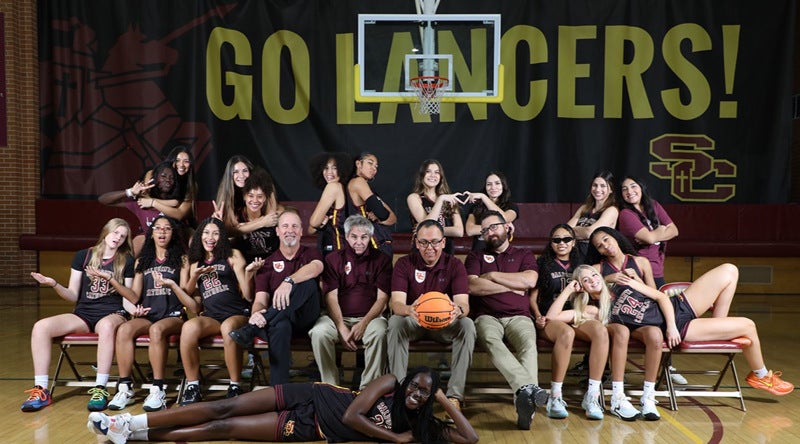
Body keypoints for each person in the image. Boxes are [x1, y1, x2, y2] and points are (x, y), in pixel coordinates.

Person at [87, 366, 479, 444]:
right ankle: (130, 420)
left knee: (223, 432)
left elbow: (472, 440)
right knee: (225, 408)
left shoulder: (425, 427)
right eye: (418, 385)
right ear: (407, 381)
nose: (417, 393)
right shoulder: (390, 383)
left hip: (312, 430)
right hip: (311, 395)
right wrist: (394, 440)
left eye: (425, 393)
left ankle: (133, 435)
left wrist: (445, 399)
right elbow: (352, 415)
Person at [25, 218, 137, 412]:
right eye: (115, 233)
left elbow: (128, 297)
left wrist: (134, 311)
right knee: (41, 327)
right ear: (106, 231)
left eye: (123, 236)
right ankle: (42, 390)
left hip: (113, 313)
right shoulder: (83, 256)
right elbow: (72, 295)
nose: (118, 238)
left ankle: (100, 388)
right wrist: (53, 284)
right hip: (84, 314)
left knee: (107, 327)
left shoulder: (126, 260)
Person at [464, 211, 547, 429]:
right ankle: (528, 390)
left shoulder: (523, 254)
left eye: (493, 227)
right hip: (486, 316)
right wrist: (513, 285)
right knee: (491, 340)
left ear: (507, 227)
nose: (488, 233)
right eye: (484, 230)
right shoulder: (476, 257)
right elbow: (473, 286)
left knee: (529, 346)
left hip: (519, 316)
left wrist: (491, 276)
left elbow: (529, 280)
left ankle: (524, 407)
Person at [387, 219, 475, 419]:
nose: (430, 248)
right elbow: (396, 304)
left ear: (443, 242)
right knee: (394, 322)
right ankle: (400, 393)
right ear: (416, 243)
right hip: (415, 321)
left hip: (444, 324)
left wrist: (457, 310)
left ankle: (454, 396)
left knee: (467, 325)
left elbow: (465, 305)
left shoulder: (455, 265)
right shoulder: (404, 264)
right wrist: (410, 309)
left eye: (435, 242)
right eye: (424, 242)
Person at [228, 209, 324, 385]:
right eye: (285, 226)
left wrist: (289, 281)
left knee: (307, 283)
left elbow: (317, 267)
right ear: (277, 231)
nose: (290, 230)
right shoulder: (268, 264)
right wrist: (257, 313)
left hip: (306, 318)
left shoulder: (310, 253)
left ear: (301, 231)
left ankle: (251, 329)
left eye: (295, 226)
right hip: (279, 320)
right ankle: (278, 393)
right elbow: (260, 300)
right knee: (280, 325)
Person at [108, 216, 188, 412]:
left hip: (173, 315)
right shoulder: (142, 262)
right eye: (158, 228)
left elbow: (186, 292)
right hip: (148, 314)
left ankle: (158, 389)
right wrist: (113, 281)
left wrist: (172, 285)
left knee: (157, 329)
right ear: (151, 234)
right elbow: (135, 297)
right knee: (125, 329)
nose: (162, 232)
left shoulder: (182, 259)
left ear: (173, 233)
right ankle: (125, 387)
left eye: (167, 229)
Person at [177, 217, 261, 405]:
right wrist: (195, 276)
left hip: (237, 312)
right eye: (206, 233)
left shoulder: (233, 255)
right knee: (189, 327)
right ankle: (193, 386)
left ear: (222, 236)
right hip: (212, 316)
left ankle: (234, 385)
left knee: (228, 328)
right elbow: (190, 295)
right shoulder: (195, 262)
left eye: (215, 233)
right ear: (200, 236)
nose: (210, 237)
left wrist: (249, 273)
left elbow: (248, 295)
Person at [308, 215, 392, 389]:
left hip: (370, 319)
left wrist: (363, 323)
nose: (359, 242)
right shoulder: (332, 259)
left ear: (370, 237)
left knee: (380, 332)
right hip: (337, 317)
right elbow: (330, 296)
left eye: (364, 237)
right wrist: (341, 326)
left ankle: (367, 390)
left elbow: (382, 298)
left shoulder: (382, 260)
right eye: (354, 237)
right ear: (346, 237)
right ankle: (331, 388)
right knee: (319, 332)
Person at [545, 265, 635, 421]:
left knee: (620, 331)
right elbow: (551, 317)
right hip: (594, 332)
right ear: (581, 287)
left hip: (623, 331)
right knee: (600, 330)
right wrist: (569, 290)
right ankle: (591, 396)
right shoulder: (587, 307)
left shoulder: (618, 293)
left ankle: (614, 396)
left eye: (594, 275)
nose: (593, 281)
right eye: (586, 280)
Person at [530, 224, 583, 419]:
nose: (562, 243)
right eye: (556, 240)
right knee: (566, 333)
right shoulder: (542, 263)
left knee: (600, 332)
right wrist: (537, 316)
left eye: (566, 239)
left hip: (575, 315)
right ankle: (555, 395)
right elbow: (532, 298)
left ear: (574, 242)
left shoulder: (581, 264)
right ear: (551, 243)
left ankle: (594, 394)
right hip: (549, 317)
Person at [99, 161, 183, 255]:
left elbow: (178, 209)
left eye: (171, 178)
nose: (168, 180)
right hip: (148, 240)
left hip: (172, 241)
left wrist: (152, 202)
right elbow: (103, 200)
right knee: (138, 243)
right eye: (163, 176)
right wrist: (130, 192)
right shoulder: (139, 202)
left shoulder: (176, 201)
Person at [617, 175, 678, 289]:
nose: (629, 191)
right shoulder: (626, 214)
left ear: (641, 188)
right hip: (639, 270)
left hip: (657, 266)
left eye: (633, 186)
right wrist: (661, 229)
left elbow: (674, 230)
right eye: (624, 189)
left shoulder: (653, 204)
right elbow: (649, 239)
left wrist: (654, 236)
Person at [407, 159, 464, 255]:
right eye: (428, 171)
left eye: (437, 172)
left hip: (446, 251)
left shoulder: (449, 199)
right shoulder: (414, 197)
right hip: (423, 251)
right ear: (422, 175)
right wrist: (440, 199)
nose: (433, 175)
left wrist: (425, 230)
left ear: (441, 177)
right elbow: (427, 226)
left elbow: (459, 231)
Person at [347, 152, 397, 256]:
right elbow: (384, 214)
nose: (374, 168)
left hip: (379, 242)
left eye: (376, 166)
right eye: (370, 163)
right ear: (358, 164)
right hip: (371, 245)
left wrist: (379, 218)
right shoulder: (358, 181)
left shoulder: (368, 189)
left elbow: (393, 218)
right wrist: (381, 217)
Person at [231, 167, 281, 264]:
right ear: (244, 196)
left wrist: (245, 227)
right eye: (250, 196)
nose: (255, 200)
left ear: (265, 198)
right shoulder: (237, 215)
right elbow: (231, 233)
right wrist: (262, 222)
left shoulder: (274, 215)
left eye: (259, 196)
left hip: (271, 265)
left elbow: (278, 211)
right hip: (246, 265)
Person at [308, 152, 352, 256]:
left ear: (342, 169)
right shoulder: (344, 188)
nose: (329, 172)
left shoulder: (333, 187)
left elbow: (313, 223)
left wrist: (319, 223)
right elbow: (310, 229)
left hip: (338, 251)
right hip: (341, 249)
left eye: (334, 168)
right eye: (326, 168)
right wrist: (321, 223)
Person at [567, 170, 619, 257]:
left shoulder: (612, 210)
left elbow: (590, 233)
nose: (598, 189)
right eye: (595, 185)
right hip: (573, 252)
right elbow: (565, 231)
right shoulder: (584, 208)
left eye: (603, 186)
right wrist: (583, 231)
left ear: (611, 190)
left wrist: (576, 230)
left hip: (592, 255)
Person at [465, 171, 518, 251]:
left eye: (497, 183)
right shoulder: (476, 207)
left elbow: (504, 218)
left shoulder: (511, 206)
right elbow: (470, 230)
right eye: (489, 184)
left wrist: (483, 197)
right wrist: (499, 226)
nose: (493, 187)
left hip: (501, 250)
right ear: (485, 187)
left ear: (503, 186)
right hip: (479, 249)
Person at [214, 155, 255, 236]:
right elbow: (229, 230)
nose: (241, 175)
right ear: (230, 175)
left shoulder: (258, 189)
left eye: (245, 171)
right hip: (235, 240)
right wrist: (263, 222)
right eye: (235, 172)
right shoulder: (226, 193)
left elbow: (275, 213)